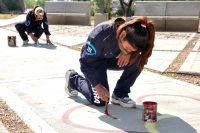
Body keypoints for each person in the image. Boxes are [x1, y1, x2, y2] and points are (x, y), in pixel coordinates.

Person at [65, 16, 155, 108]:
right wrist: (97, 86)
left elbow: (138, 50)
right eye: (127, 48)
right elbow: (86, 64)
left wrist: (128, 53)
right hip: (95, 61)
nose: (128, 51)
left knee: (139, 60)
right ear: (123, 35)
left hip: (112, 58)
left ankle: (119, 94)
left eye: (131, 50)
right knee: (100, 101)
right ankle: (73, 79)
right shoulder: (99, 34)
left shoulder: (135, 30)